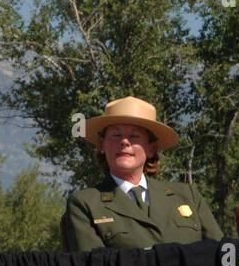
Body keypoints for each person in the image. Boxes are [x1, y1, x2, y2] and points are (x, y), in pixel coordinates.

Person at [62, 96, 222, 251]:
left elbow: (221, 255)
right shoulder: (85, 204)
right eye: (116, 135)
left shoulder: (188, 196)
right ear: (102, 145)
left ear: (151, 148)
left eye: (134, 136)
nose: (124, 142)